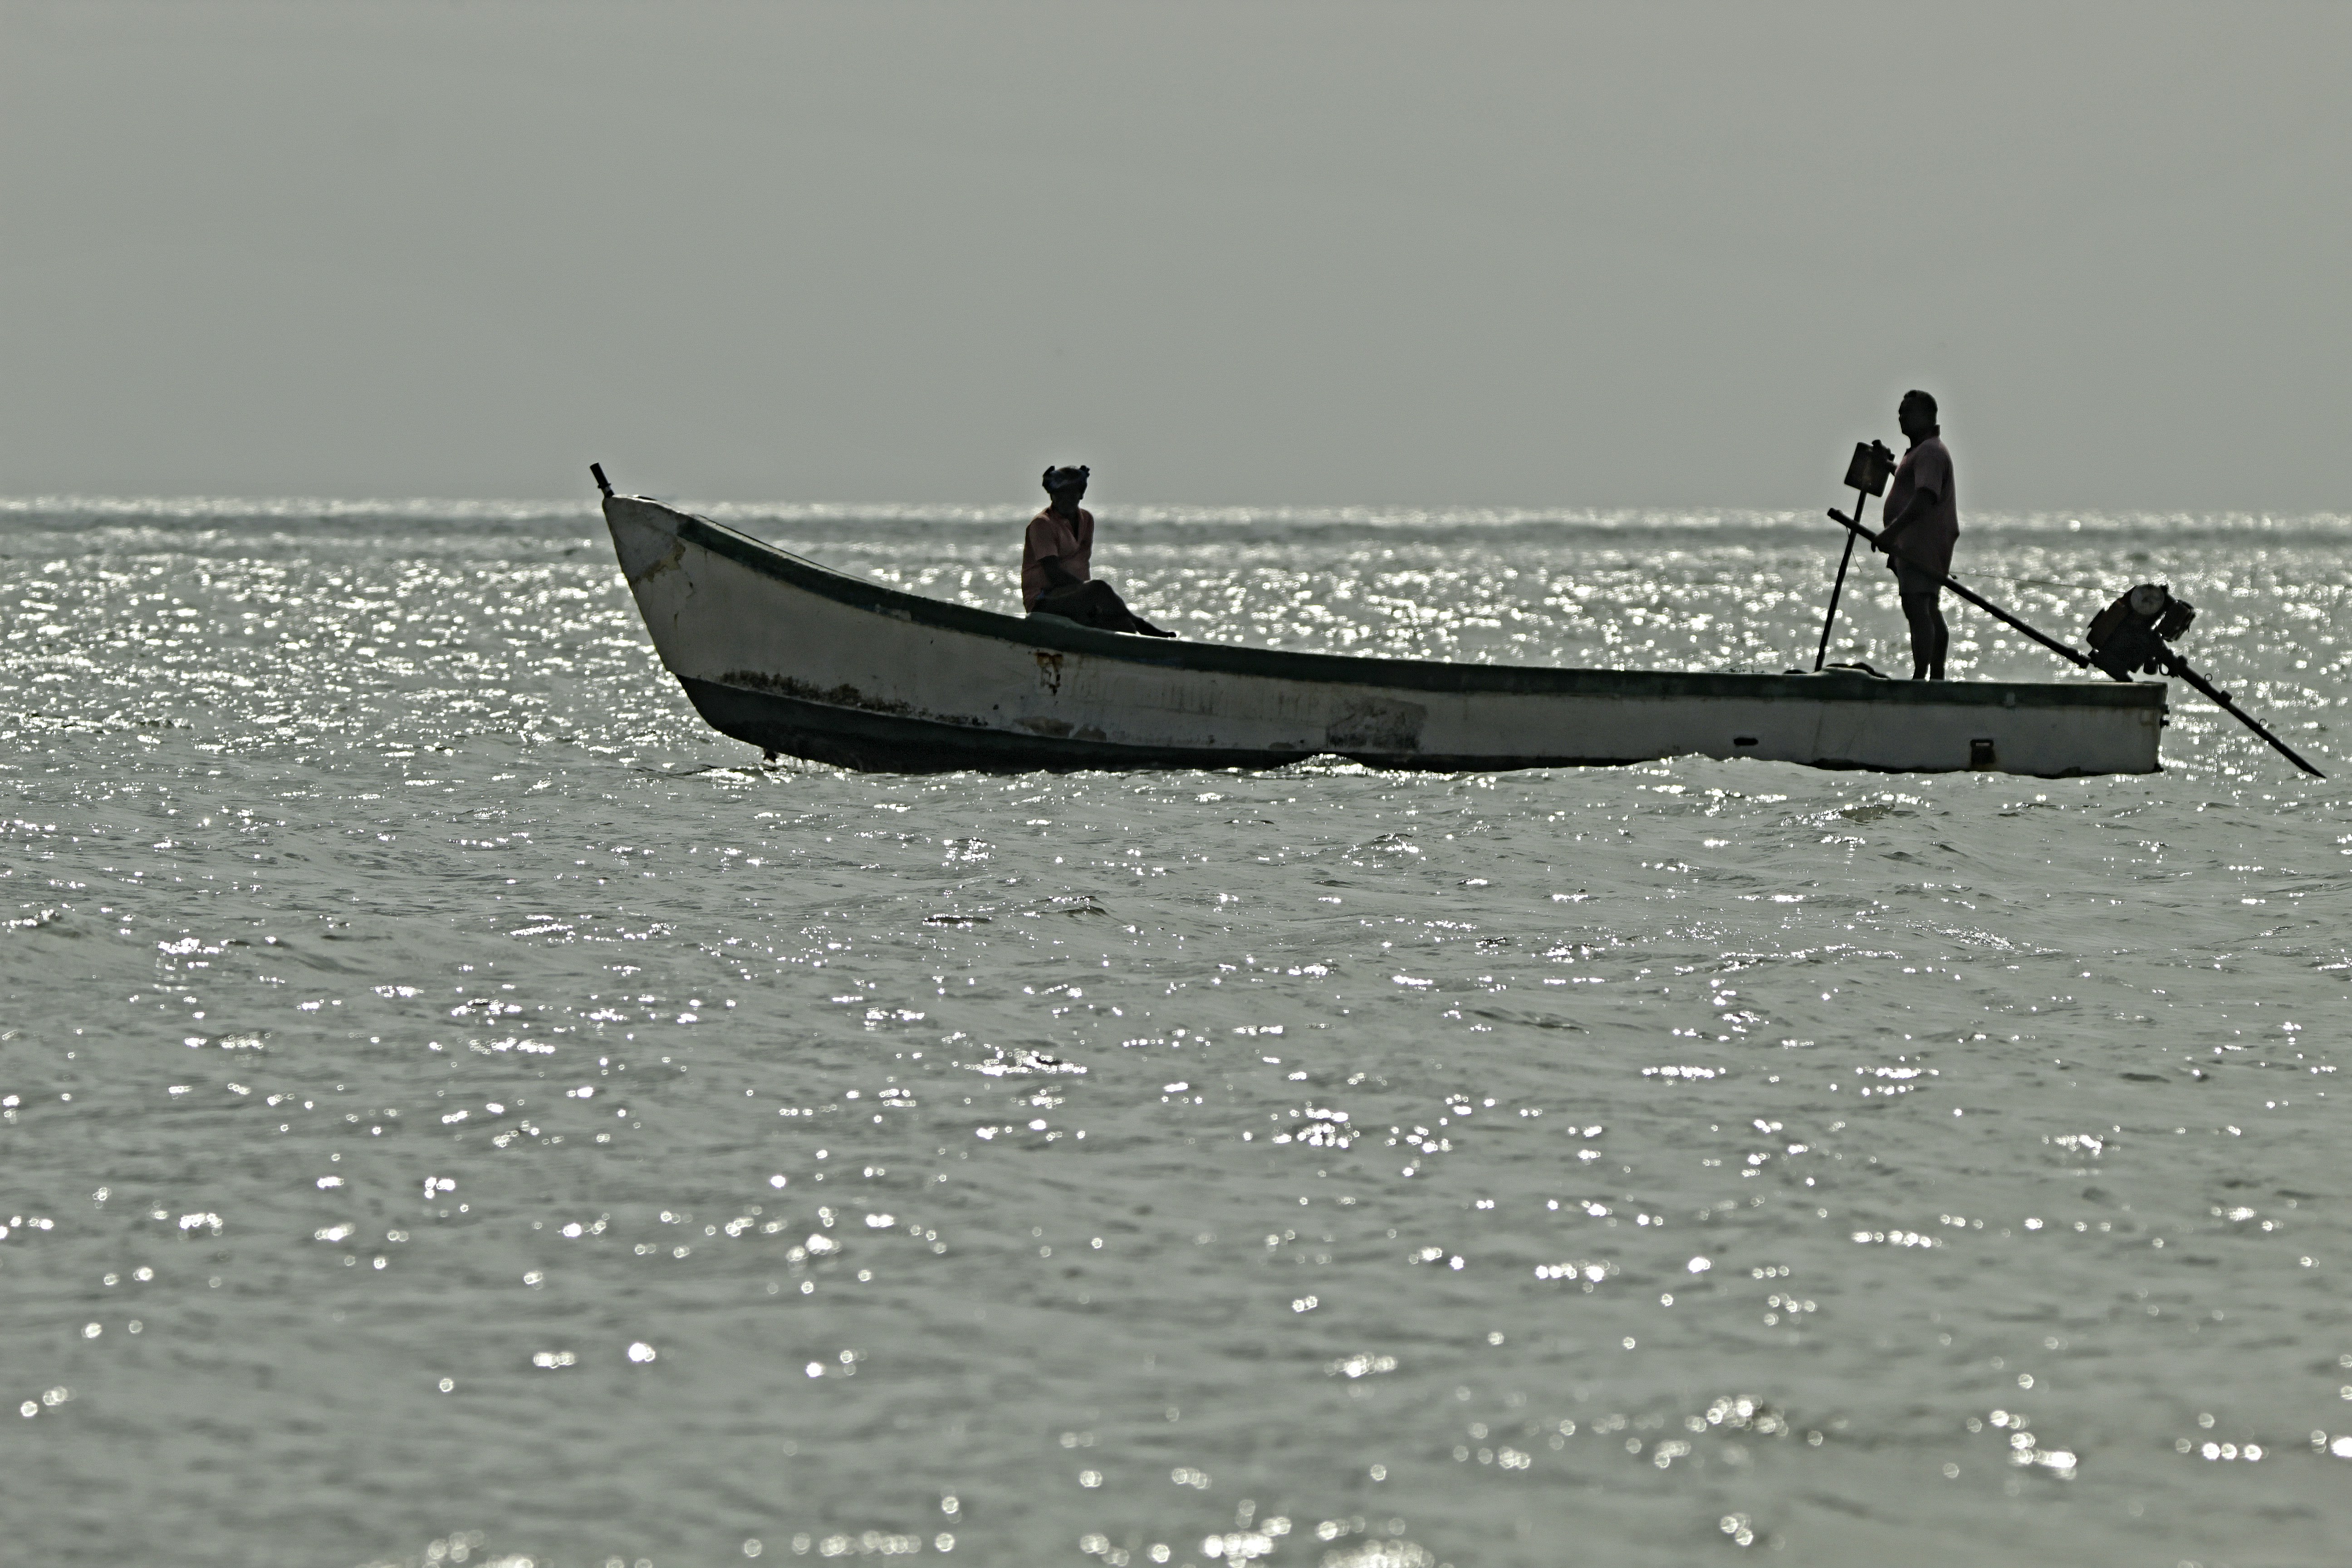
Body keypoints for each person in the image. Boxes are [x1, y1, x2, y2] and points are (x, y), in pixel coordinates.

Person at [1021, 465, 1175, 636]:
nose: (1064, 498)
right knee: (1099, 589)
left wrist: (1091, 601)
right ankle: (1140, 623)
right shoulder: (1042, 524)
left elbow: (1081, 567)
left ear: (1081, 494)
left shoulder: (1087, 520)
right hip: (1043, 601)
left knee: (1124, 626)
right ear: (1052, 495)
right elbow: (1053, 573)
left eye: (1071, 492)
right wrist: (1091, 595)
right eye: (1059, 493)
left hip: (1076, 597)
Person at [1876, 390, 1957, 680]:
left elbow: (1925, 495)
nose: (1900, 417)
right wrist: (1890, 469)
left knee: (1918, 606)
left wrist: (1892, 532)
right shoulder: (1922, 452)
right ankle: (1934, 674)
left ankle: (1923, 676)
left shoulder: (1931, 452)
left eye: (1906, 412)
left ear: (1926, 416)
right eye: (1900, 412)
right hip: (1914, 545)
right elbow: (1914, 482)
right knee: (1927, 606)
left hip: (1921, 544)